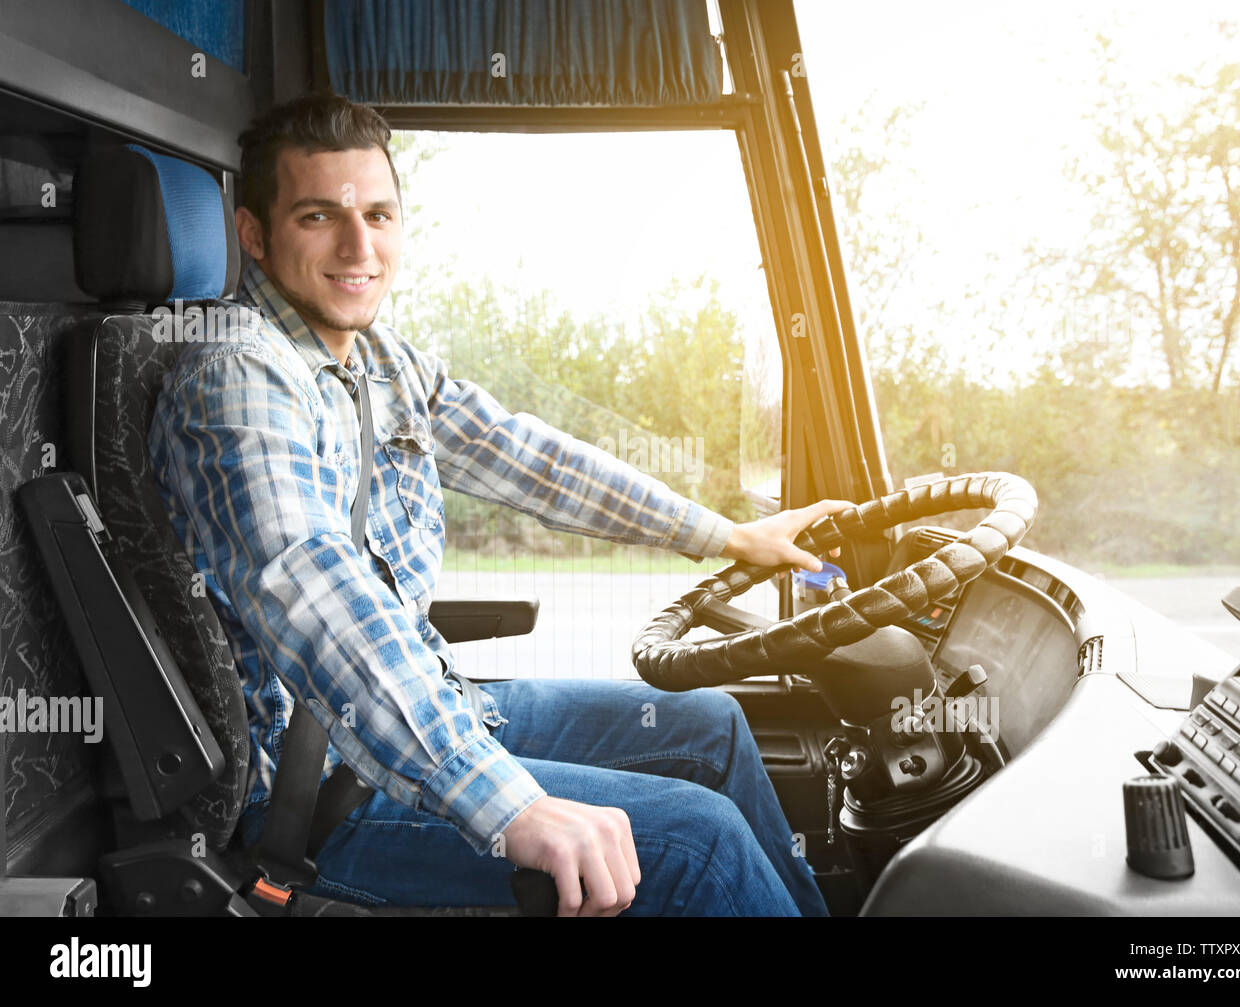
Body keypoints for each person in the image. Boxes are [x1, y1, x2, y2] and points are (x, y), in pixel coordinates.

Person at [148, 93, 847, 916]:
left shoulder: (381, 364)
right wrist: (506, 802)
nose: (358, 245)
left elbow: (533, 461)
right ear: (254, 236)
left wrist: (726, 534)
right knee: (700, 838)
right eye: (318, 216)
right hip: (317, 790)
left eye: (379, 214)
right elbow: (312, 589)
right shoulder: (238, 376)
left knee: (714, 729)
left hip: (436, 703)